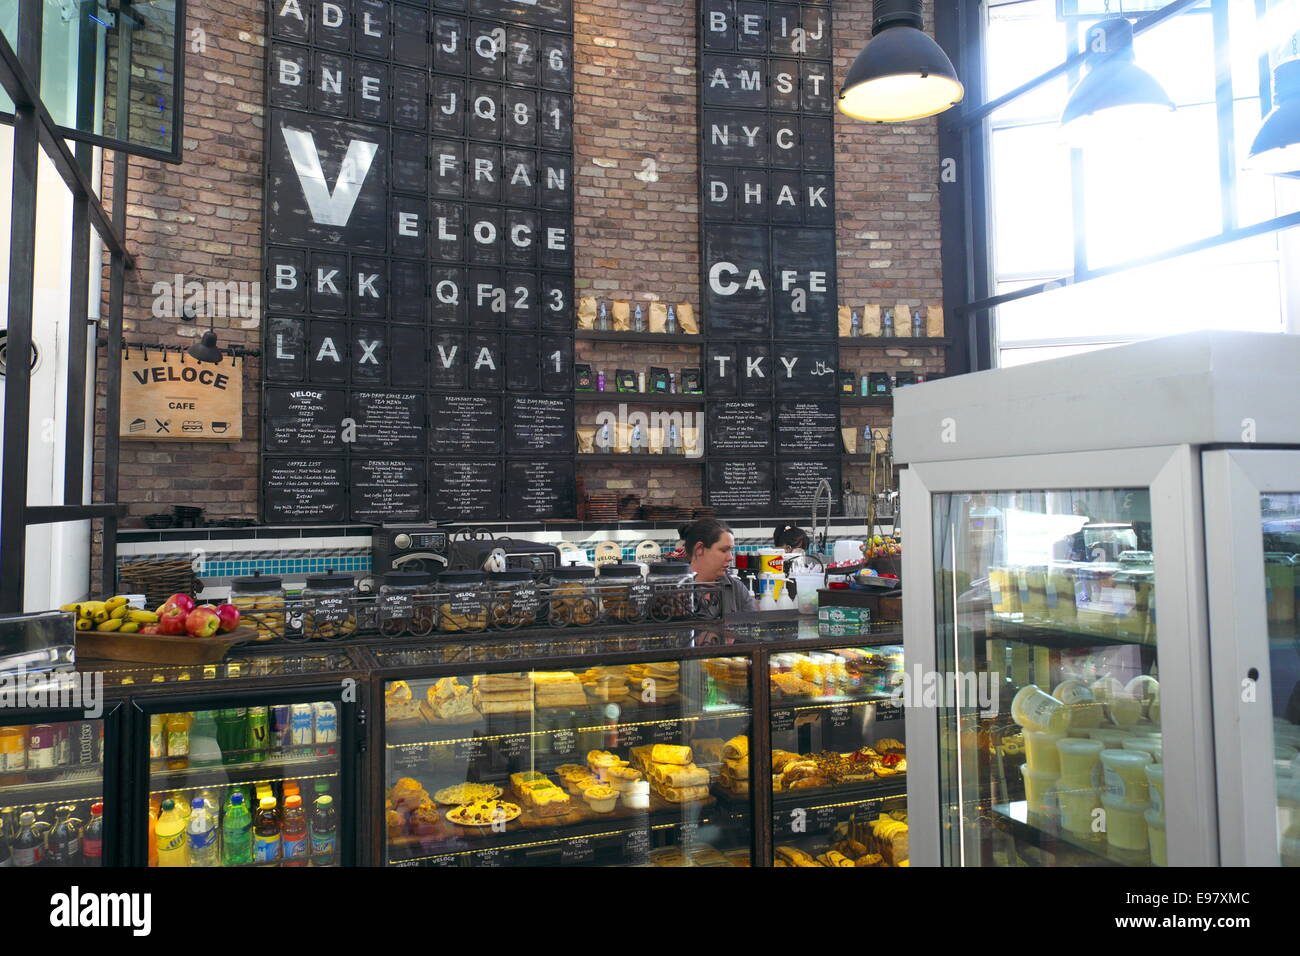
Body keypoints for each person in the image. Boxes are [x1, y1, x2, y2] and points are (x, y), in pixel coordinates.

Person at [680, 519, 757, 614]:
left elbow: (752, 626)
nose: (730, 558)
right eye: (724, 550)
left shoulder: (736, 589)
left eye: (731, 551)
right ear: (699, 549)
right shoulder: (678, 591)